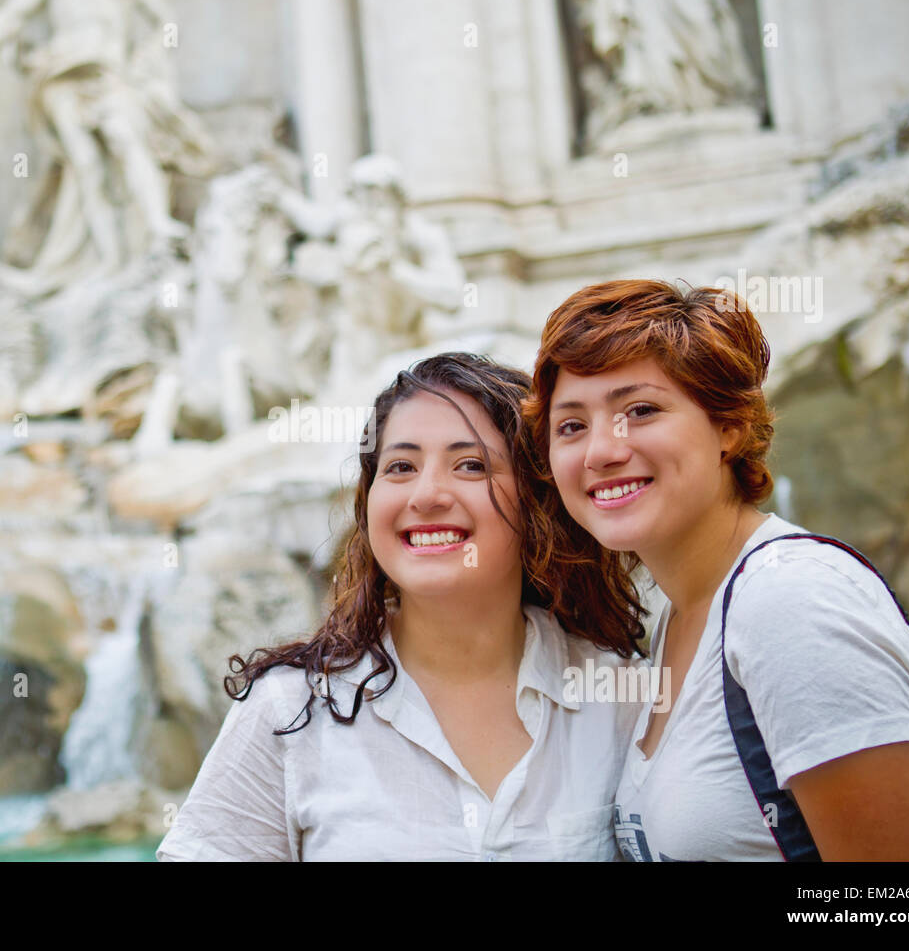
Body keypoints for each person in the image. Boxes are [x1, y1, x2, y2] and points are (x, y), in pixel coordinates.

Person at [522, 278, 909, 860]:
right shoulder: (678, 614)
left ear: (729, 426)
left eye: (641, 410)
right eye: (571, 425)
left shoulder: (792, 603)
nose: (601, 450)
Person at [157, 352, 647, 860]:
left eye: (471, 464)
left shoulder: (619, 699)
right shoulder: (289, 709)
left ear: (537, 502)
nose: (427, 494)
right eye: (400, 467)